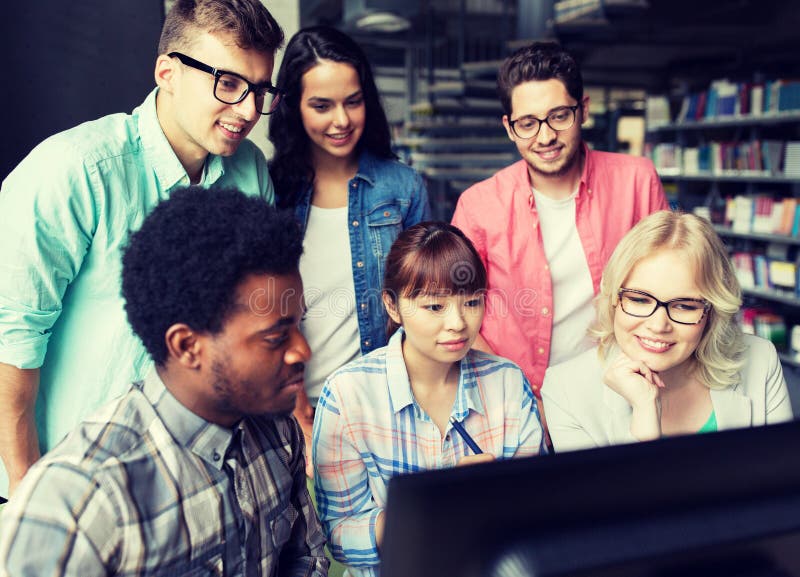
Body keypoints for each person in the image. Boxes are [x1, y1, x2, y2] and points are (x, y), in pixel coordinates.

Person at [0, 0, 284, 499]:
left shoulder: (251, 171)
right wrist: (28, 495)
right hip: (74, 488)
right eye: (229, 83)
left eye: (261, 90)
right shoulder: (75, 171)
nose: (248, 110)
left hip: (196, 484)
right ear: (167, 72)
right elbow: (11, 343)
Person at [0, 187, 329, 576]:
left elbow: (304, 560)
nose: (303, 351)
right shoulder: (78, 501)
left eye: (298, 323)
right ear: (187, 346)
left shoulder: (278, 430)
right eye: (276, 337)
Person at [450, 41, 668, 437]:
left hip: (617, 394)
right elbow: (459, 313)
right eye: (528, 123)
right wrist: (522, 401)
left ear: (582, 110)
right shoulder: (478, 205)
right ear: (508, 127)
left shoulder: (637, 181)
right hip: (513, 405)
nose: (545, 136)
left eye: (558, 117)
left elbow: (668, 284)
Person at [312, 221, 546, 577]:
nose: (457, 323)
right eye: (434, 307)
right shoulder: (347, 395)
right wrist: (440, 503)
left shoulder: (508, 382)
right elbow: (340, 538)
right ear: (392, 306)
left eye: (471, 302)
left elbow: (536, 519)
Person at [268, 25, 430, 467]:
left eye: (353, 101)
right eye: (322, 105)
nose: (341, 120)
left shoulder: (403, 188)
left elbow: (425, 305)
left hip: (386, 409)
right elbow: (263, 312)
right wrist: (297, 404)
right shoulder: (270, 191)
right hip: (293, 412)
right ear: (294, 107)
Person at [542, 211, 793, 452]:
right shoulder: (565, 389)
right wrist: (644, 415)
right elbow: (606, 497)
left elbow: (784, 483)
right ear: (613, 298)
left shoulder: (760, 359)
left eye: (684, 306)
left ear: (711, 311)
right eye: (640, 300)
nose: (658, 325)